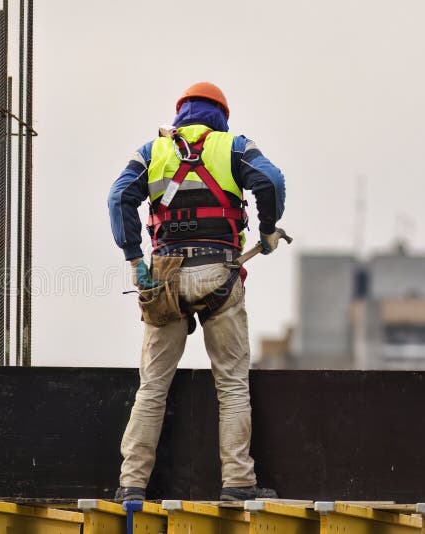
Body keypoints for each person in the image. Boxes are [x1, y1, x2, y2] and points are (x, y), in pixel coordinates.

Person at [107, 82, 286, 502]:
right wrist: (265, 229)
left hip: (164, 276)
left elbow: (119, 198)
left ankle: (131, 484)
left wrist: (135, 258)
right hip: (219, 272)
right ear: (221, 114)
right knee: (231, 385)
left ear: (181, 113)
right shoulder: (234, 146)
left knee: (152, 385)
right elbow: (271, 181)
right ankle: (238, 483)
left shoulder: (152, 151)